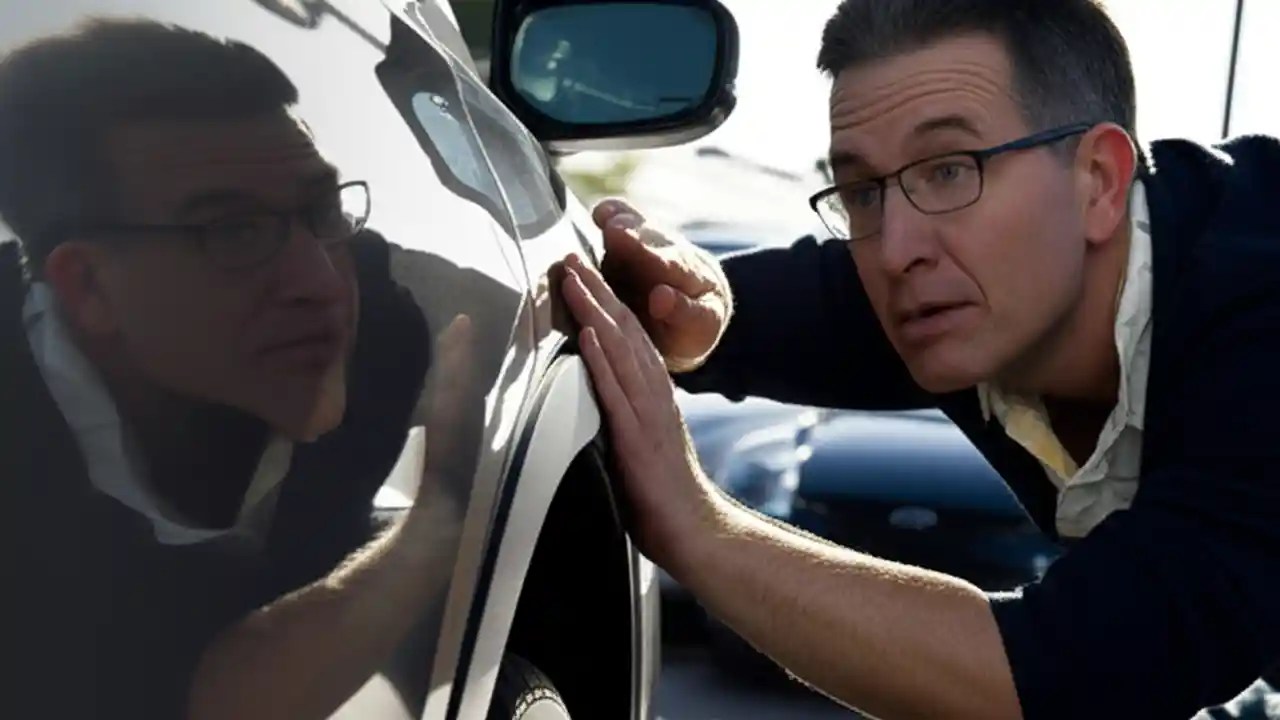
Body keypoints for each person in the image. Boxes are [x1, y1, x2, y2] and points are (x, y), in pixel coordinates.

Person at [559, 1, 1280, 718]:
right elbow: (762, 308)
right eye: (865, 191)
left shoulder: (1258, 305)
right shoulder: (980, 284)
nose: (897, 248)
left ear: (1098, 179)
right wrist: (697, 300)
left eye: (949, 171)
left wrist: (699, 528)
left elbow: (1075, 675)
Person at [0, 18, 487, 719]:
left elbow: (569, 294)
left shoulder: (385, 325)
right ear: (88, 286)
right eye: (234, 232)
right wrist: (442, 518)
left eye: (322, 211)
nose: (319, 282)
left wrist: (693, 299)